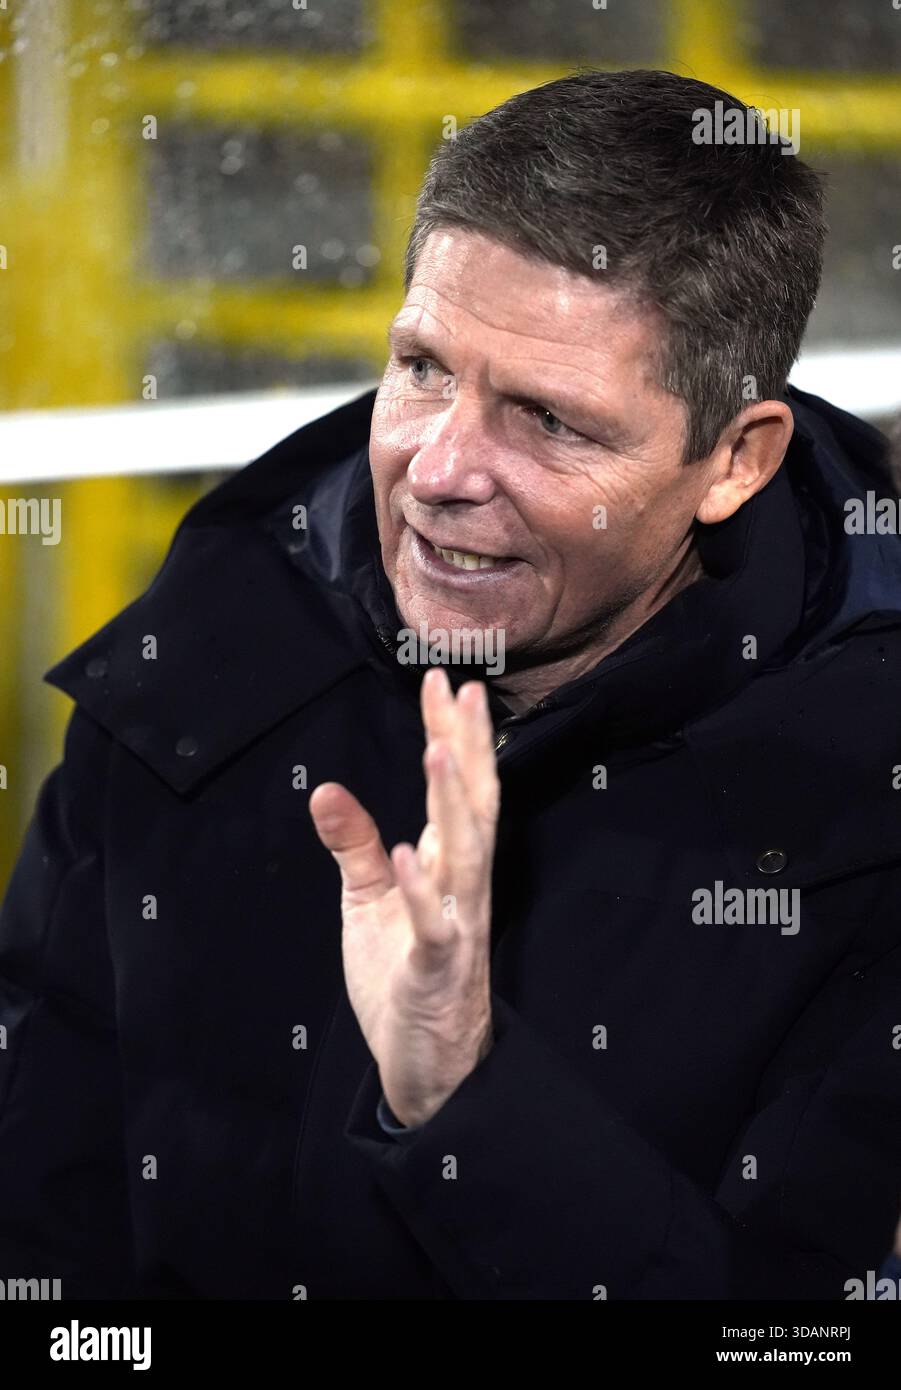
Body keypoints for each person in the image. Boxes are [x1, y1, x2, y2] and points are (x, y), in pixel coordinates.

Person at [1, 68, 900, 1301]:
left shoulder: (867, 809)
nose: (440, 469)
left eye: (549, 420)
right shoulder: (214, 645)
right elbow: (42, 1227)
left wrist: (464, 1097)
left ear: (733, 462)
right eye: (423, 366)